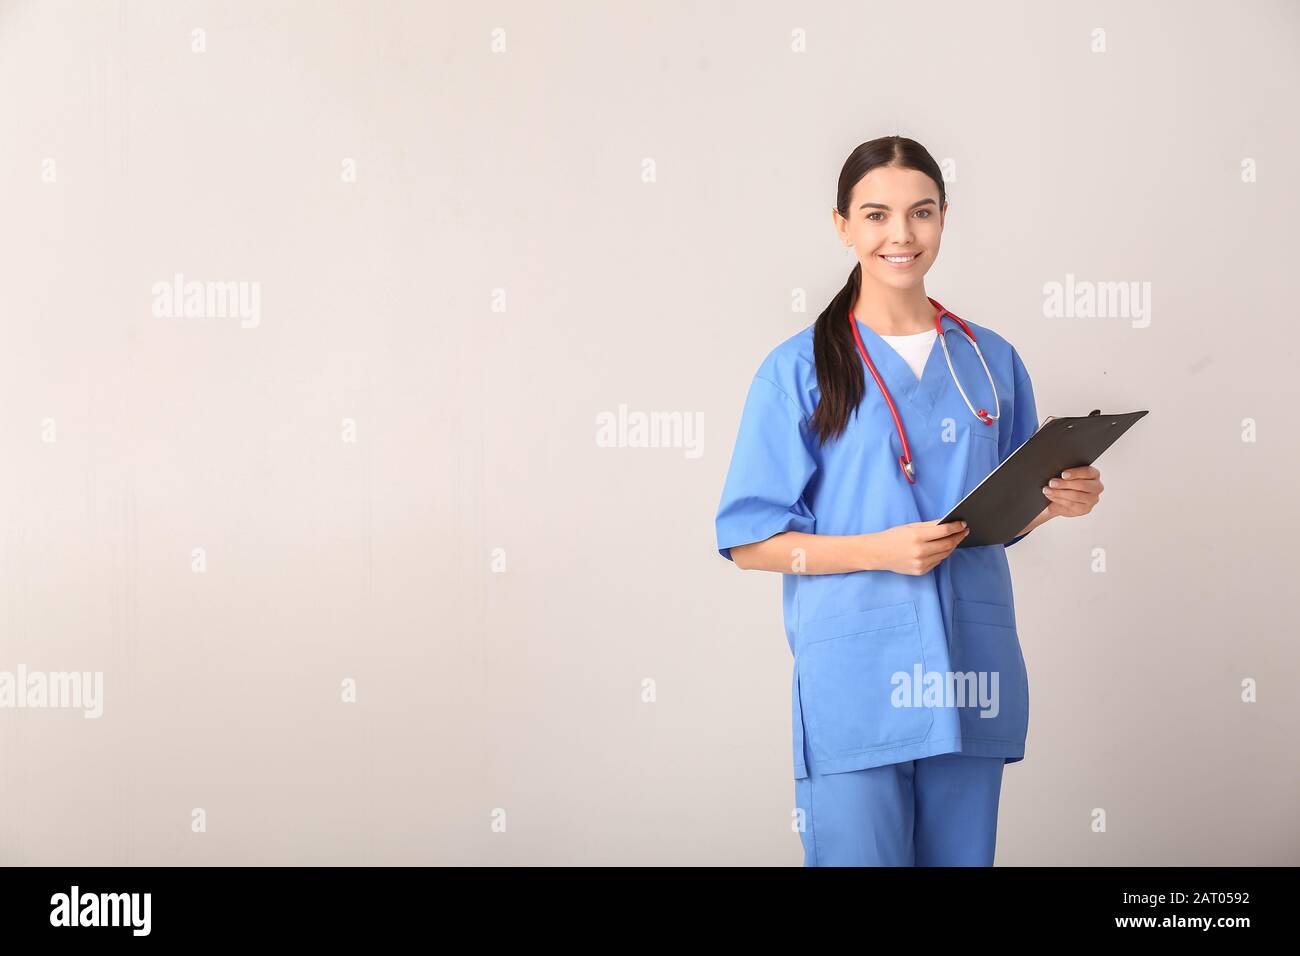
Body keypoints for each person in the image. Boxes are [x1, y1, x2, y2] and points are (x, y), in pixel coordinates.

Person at [713, 135, 1104, 866]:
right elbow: (748, 541)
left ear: (944, 218)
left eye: (921, 213)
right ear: (842, 225)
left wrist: (1058, 502)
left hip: (968, 666)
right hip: (856, 676)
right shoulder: (796, 370)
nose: (901, 235)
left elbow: (999, 510)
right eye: (876, 214)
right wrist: (879, 551)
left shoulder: (990, 360)